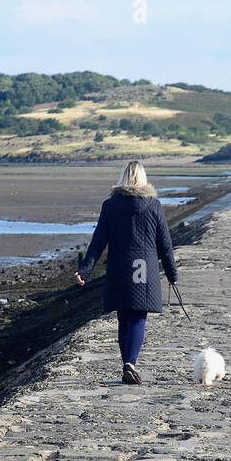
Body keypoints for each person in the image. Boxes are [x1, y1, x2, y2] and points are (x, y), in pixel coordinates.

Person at [75, 159, 178, 385]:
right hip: (145, 268)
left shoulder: (110, 205)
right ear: (143, 177)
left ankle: (127, 364)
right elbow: (165, 244)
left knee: (124, 316)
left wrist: (84, 270)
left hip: (120, 267)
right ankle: (130, 364)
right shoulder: (154, 205)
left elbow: (98, 242)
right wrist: (172, 273)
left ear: (123, 177)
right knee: (138, 316)